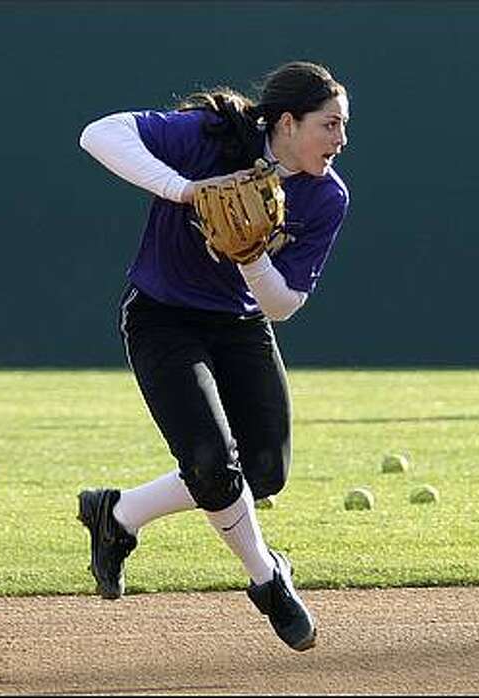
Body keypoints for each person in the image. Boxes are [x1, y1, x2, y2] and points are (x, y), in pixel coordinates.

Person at [75, 60, 350, 652]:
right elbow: (98, 133)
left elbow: (281, 306)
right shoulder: (213, 134)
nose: (341, 140)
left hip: (241, 325)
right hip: (162, 316)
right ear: (287, 122)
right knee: (208, 457)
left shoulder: (326, 196)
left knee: (264, 472)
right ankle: (268, 580)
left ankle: (116, 514)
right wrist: (186, 190)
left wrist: (251, 254)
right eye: (329, 125)